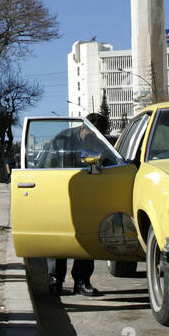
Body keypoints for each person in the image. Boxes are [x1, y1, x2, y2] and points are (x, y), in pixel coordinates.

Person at [47, 112, 113, 297]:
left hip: (88, 197)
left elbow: (107, 164)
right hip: (62, 194)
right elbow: (49, 167)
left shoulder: (98, 142)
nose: (95, 139)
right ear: (83, 127)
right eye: (92, 135)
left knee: (86, 237)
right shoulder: (62, 140)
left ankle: (82, 281)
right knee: (59, 238)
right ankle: (55, 280)